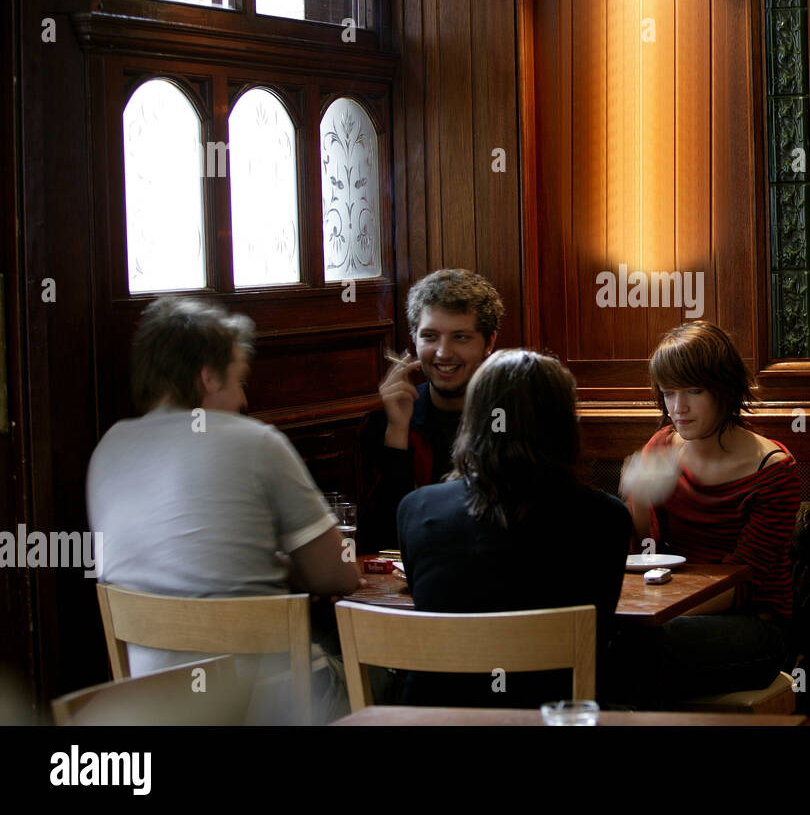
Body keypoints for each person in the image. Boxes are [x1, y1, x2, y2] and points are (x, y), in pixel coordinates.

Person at [86, 297, 360, 721]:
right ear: (208, 377)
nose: (244, 400)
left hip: (152, 706)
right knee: (391, 671)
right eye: (239, 381)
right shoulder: (256, 442)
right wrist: (287, 566)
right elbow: (338, 574)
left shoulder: (107, 449)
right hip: (267, 703)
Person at [396, 349, 632, 708]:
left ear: (472, 420)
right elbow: (600, 629)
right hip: (553, 715)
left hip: (437, 717)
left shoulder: (415, 508)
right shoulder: (606, 517)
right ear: (564, 425)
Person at [617, 320, 800, 703]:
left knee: (640, 645)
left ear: (724, 388)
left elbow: (743, 582)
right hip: (671, 607)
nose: (677, 408)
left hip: (755, 627)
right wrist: (636, 499)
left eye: (694, 391)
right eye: (668, 393)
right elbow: (644, 555)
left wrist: (661, 613)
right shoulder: (663, 446)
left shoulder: (774, 469)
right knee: (611, 637)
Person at [361, 269, 503, 550]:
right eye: (430, 336)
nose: (443, 352)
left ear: (489, 342)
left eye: (460, 337)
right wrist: (397, 434)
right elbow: (375, 540)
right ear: (414, 339)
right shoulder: (382, 422)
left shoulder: (509, 417)